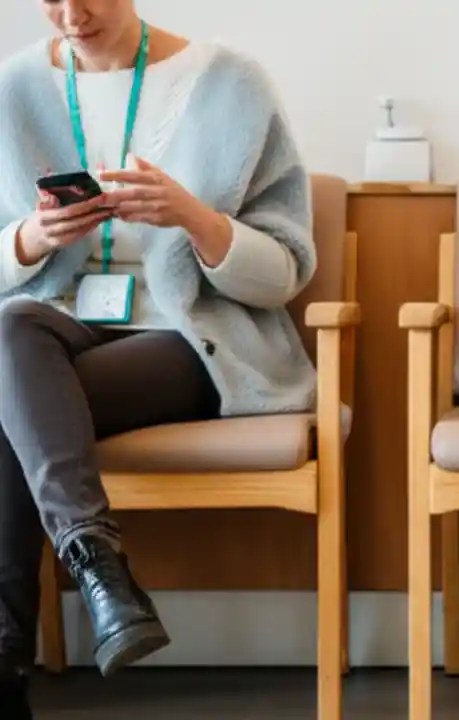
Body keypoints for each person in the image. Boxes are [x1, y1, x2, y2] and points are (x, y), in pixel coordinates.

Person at [0, 1, 316, 716]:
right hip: (53, 335)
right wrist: (33, 239)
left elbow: (286, 272)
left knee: (9, 399)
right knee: (11, 336)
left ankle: (7, 658)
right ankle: (100, 567)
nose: (70, 15)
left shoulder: (232, 84)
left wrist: (193, 217)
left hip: (192, 341)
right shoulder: (12, 89)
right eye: (49, 0)